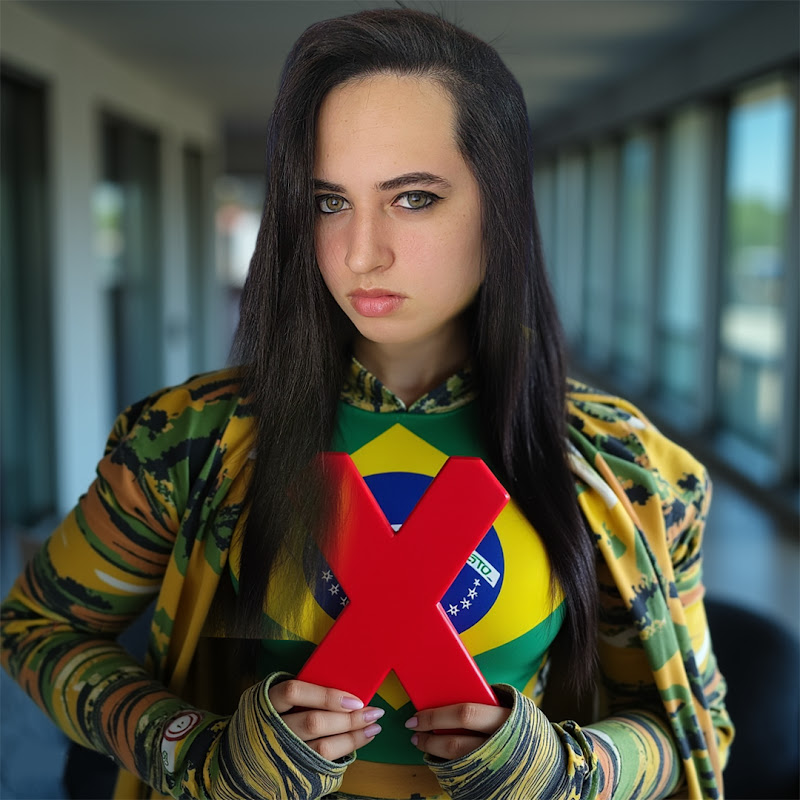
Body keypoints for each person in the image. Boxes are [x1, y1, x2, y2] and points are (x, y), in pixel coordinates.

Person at [1, 8, 733, 800]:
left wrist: (567, 773)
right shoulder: (191, 438)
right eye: (328, 202)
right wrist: (195, 750)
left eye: (413, 198)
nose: (360, 253)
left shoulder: (623, 465)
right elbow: (40, 629)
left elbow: (689, 732)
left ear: (500, 205)